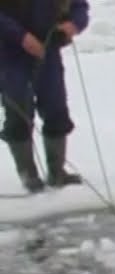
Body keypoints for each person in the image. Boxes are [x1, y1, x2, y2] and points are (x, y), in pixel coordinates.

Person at [0, 0, 89, 193]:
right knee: (18, 112)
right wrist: (21, 37)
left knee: (56, 109)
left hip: (48, 49)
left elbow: (79, 6)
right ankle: (28, 175)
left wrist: (73, 25)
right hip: (9, 53)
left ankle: (57, 172)